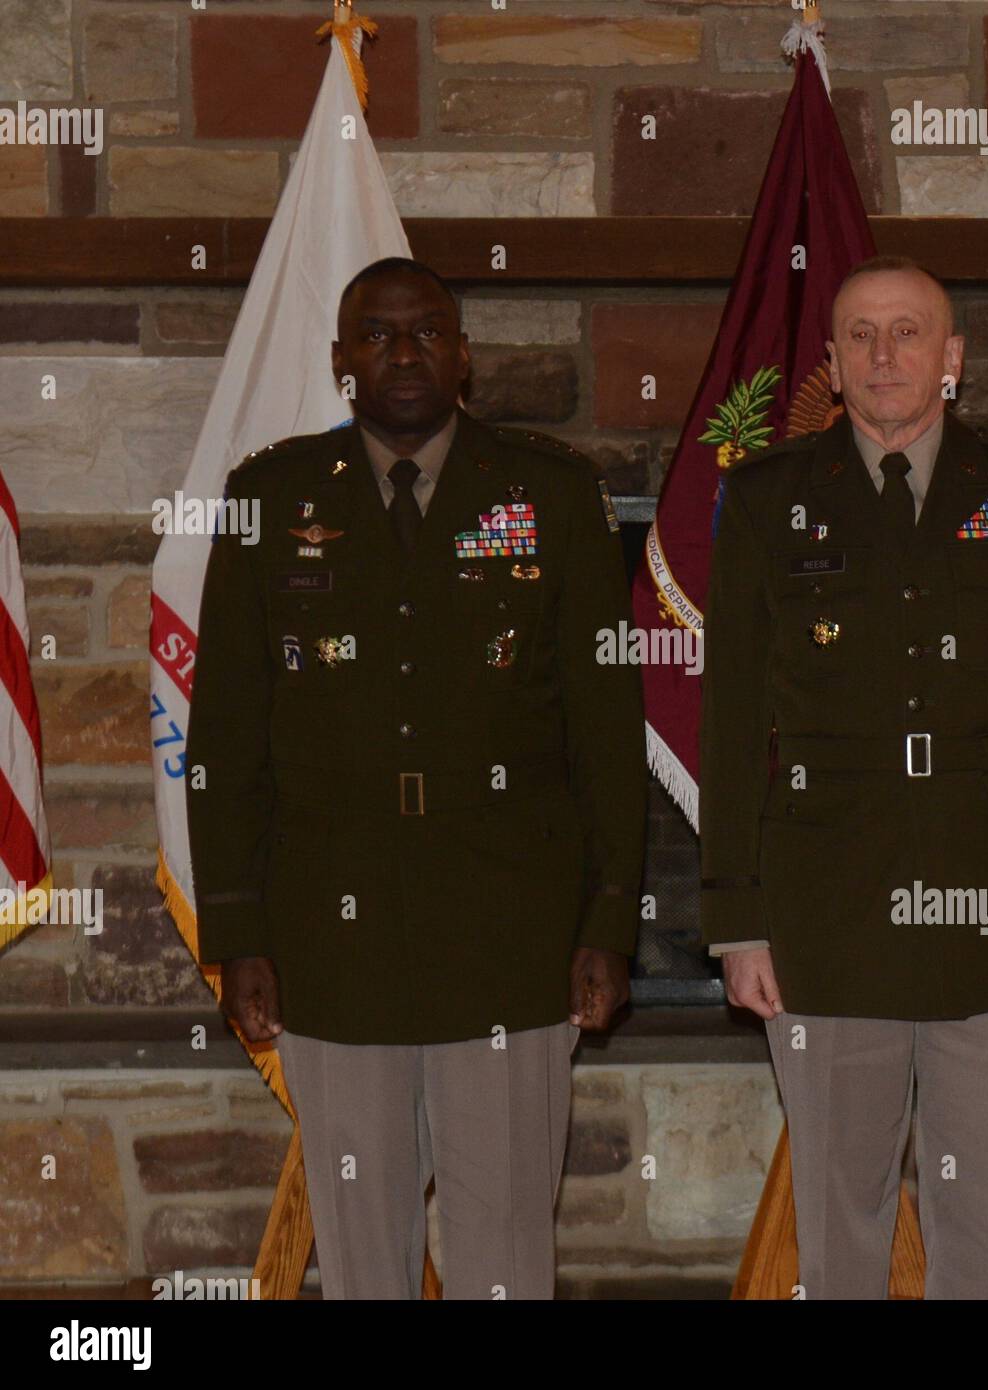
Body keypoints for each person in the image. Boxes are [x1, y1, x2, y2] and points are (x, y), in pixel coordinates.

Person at [186, 256, 646, 1299]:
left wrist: (607, 921)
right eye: (379, 335)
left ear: (464, 356)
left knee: (505, 1250)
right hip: (329, 938)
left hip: (512, 932)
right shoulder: (271, 496)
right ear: (342, 360)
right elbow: (225, 737)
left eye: (427, 331)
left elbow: (606, 733)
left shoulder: (550, 492)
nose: (404, 353)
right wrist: (239, 928)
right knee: (361, 1253)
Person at [699, 255, 988, 1299]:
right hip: (824, 912)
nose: (886, 354)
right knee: (839, 1221)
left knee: (978, 1218)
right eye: (861, 335)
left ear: (952, 358)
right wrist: (736, 916)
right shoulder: (765, 498)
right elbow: (733, 718)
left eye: (908, 331)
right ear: (832, 364)